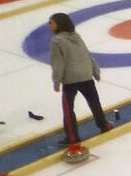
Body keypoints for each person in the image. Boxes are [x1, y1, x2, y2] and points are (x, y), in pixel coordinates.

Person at [48, 12, 112, 145]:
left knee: (68, 109)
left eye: (51, 22)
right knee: (94, 103)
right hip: (86, 75)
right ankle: (104, 125)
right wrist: (95, 71)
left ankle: (72, 137)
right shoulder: (77, 37)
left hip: (70, 80)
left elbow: (58, 63)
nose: (49, 25)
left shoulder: (56, 41)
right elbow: (87, 55)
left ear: (58, 24)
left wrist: (56, 81)